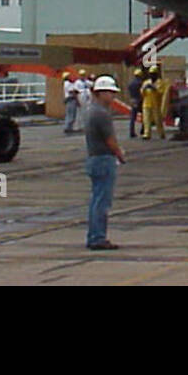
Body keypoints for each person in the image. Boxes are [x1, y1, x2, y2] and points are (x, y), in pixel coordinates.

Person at [84, 74, 127, 250]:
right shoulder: (101, 114)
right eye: (110, 92)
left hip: (93, 159)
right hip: (103, 160)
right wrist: (120, 155)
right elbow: (110, 140)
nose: (113, 96)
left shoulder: (90, 111)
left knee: (96, 200)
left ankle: (94, 235)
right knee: (102, 201)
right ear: (100, 93)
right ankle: (97, 238)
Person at [141, 67, 167, 140]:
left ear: (156, 74)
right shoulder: (146, 82)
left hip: (156, 104)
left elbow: (161, 92)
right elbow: (142, 93)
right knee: (146, 120)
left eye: (153, 74)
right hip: (146, 104)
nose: (152, 75)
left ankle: (161, 133)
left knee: (158, 120)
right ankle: (147, 134)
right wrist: (144, 89)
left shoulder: (160, 82)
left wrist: (154, 88)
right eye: (151, 74)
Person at [127, 67, 144, 138]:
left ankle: (132, 132)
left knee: (133, 117)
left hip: (133, 100)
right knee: (144, 115)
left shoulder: (131, 83)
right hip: (140, 100)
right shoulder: (141, 83)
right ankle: (143, 130)